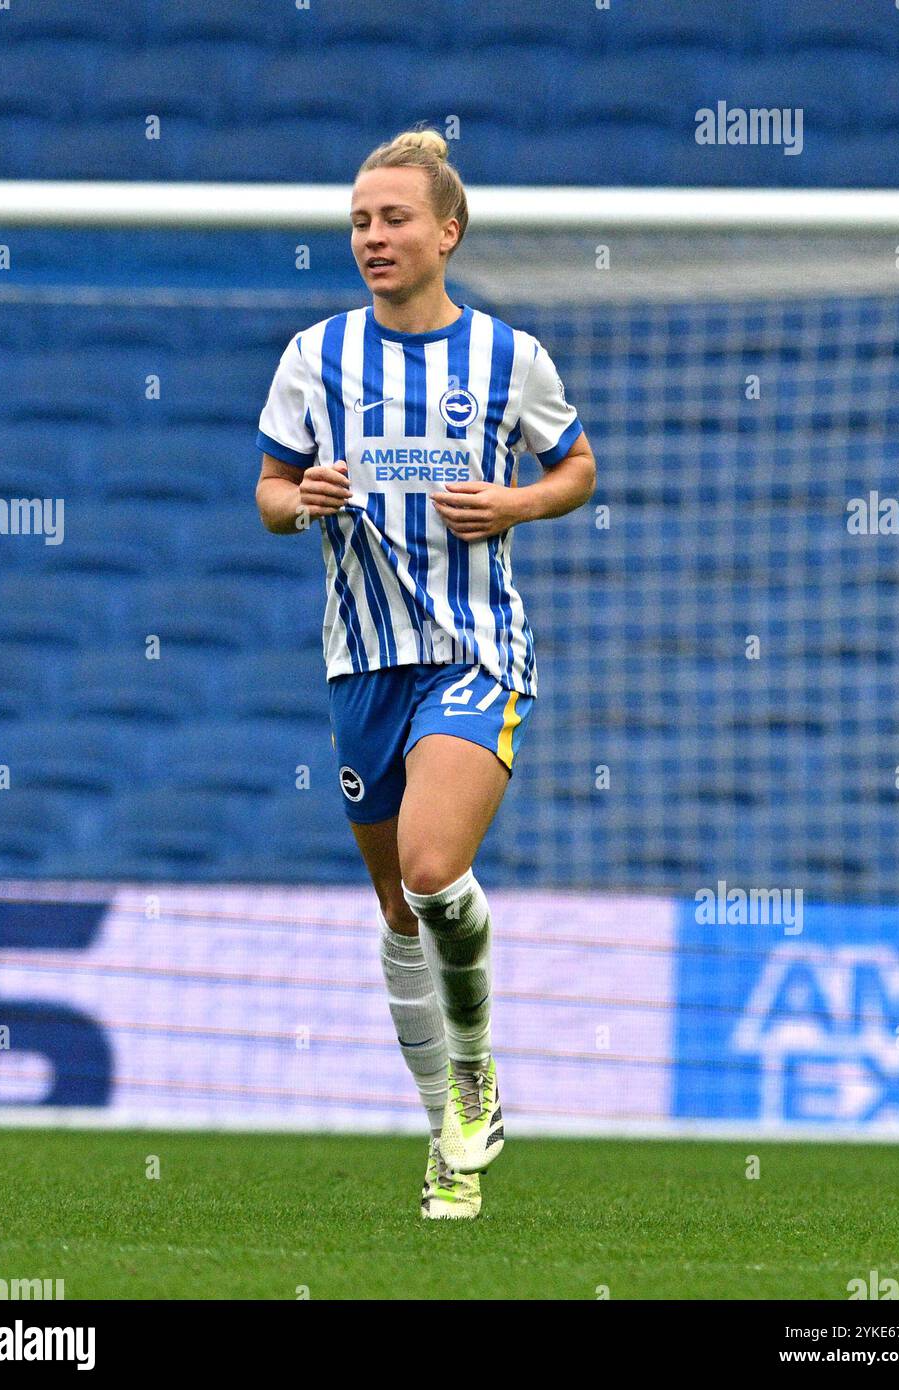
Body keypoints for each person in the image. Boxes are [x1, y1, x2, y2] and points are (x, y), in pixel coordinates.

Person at [255, 127, 596, 1219]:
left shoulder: (510, 358)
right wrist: (299, 496)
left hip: (474, 651)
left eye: (393, 218)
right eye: (359, 220)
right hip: (360, 663)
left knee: (435, 868)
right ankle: (449, 1130)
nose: (372, 236)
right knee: (400, 912)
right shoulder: (315, 355)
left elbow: (577, 466)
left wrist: (517, 503)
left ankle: (480, 1066)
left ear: (448, 231)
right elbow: (267, 490)